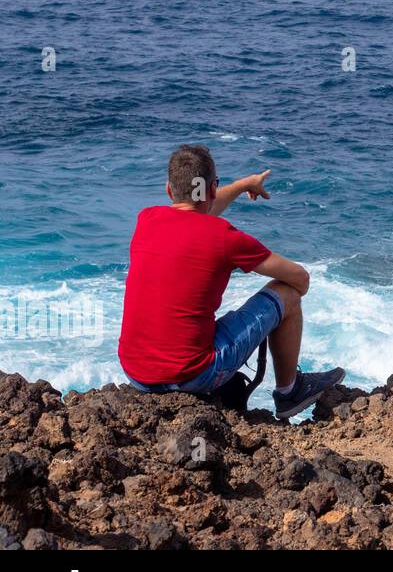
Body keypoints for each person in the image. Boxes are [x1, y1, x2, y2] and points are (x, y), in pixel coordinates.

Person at [117, 143, 344, 419]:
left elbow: (196, 209)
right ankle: (289, 392)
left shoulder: (147, 219)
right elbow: (300, 279)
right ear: (212, 189)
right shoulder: (224, 237)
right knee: (287, 292)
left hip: (138, 375)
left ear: (168, 189)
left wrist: (241, 185)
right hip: (194, 376)